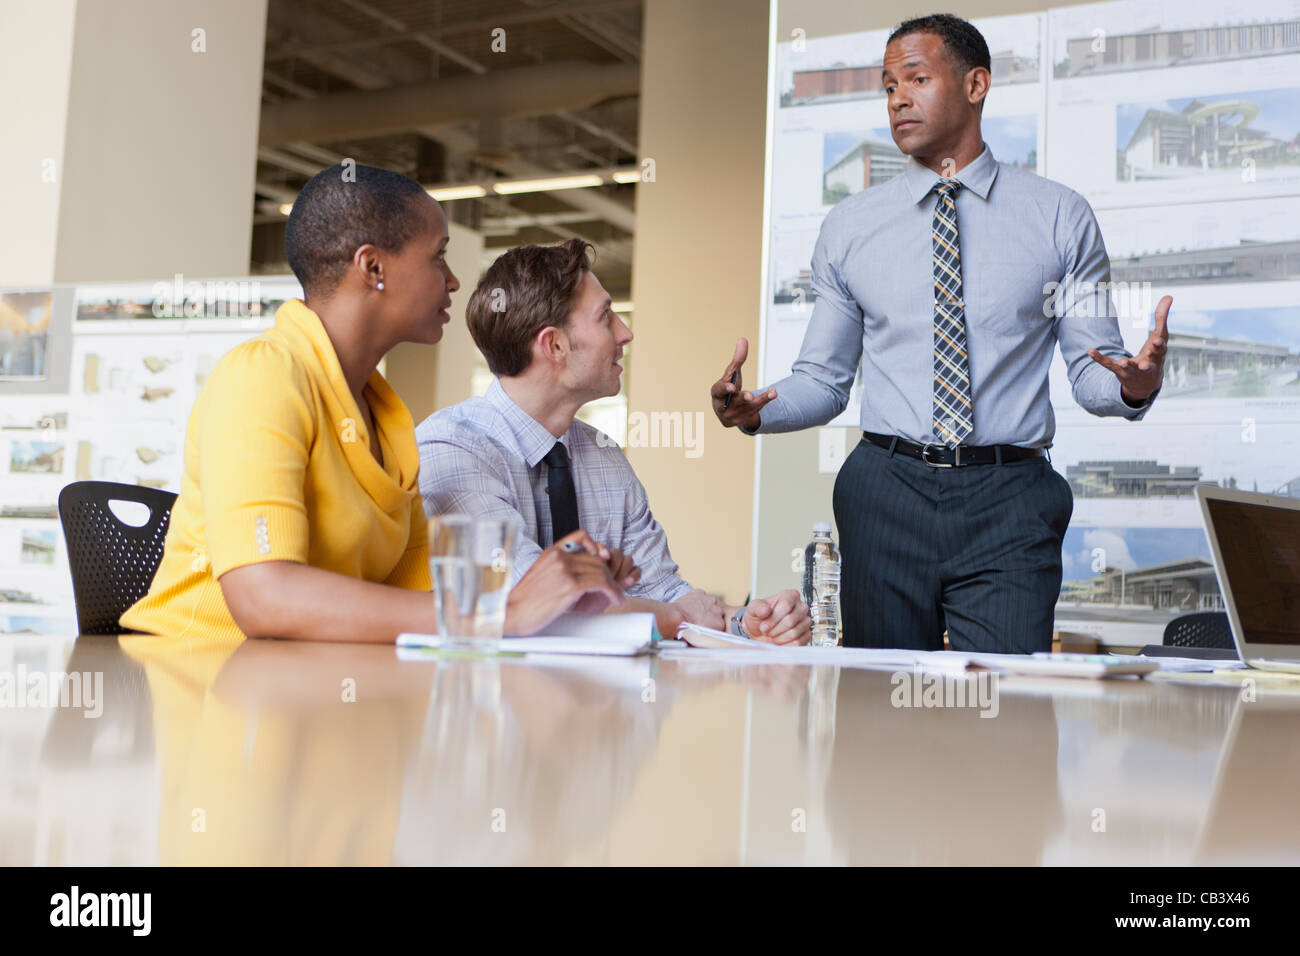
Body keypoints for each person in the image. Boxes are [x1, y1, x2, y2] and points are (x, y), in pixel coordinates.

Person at [712, 14, 1170, 653]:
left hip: (1010, 499)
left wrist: (1134, 385)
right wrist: (758, 411)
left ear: (976, 84)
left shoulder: (1059, 215)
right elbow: (823, 380)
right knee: (880, 717)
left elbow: (1096, 370)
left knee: (1010, 716)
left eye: (917, 79)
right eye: (888, 86)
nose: (898, 98)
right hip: (885, 491)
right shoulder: (850, 227)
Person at [121, 164, 627, 643]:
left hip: (305, 693)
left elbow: (422, 598)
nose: (452, 280)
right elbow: (264, 596)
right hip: (201, 685)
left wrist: (561, 597)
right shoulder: (263, 374)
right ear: (373, 267)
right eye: (438, 257)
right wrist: (505, 613)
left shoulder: (385, 420)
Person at [417, 238, 811, 644]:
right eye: (606, 317)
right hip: (485, 701)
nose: (626, 333)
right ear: (554, 345)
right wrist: (674, 618)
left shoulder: (602, 455)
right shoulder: (452, 449)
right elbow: (540, 609)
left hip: (596, 702)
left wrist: (750, 622)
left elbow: (663, 591)